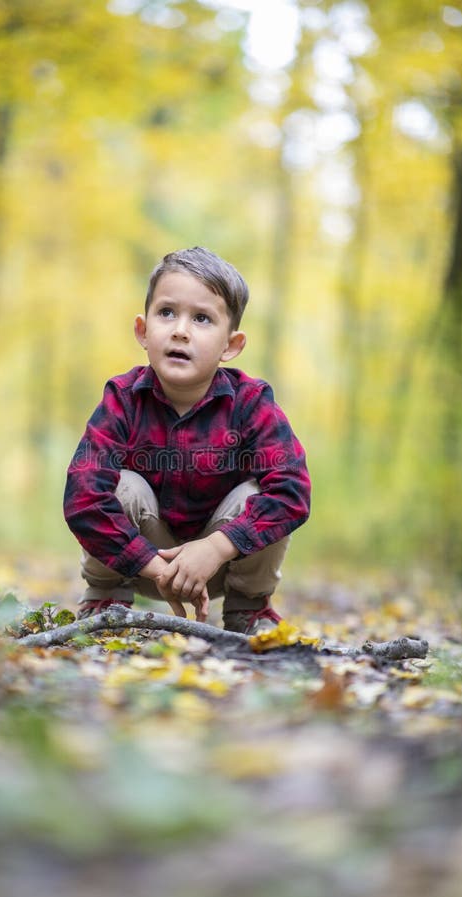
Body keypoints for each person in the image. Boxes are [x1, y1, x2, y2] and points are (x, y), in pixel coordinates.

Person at [63, 247, 310, 635]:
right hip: (139, 560)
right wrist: (155, 566)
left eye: (201, 318)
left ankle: (248, 609)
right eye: (167, 312)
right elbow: (83, 498)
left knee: (257, 492)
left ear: (231, 345)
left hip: (223, 564)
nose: (180, 329)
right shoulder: (123, 400)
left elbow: (293, 491)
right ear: (143, 331)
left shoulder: (251, 403)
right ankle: (105, 599)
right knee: (123, 486)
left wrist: (214, 548)